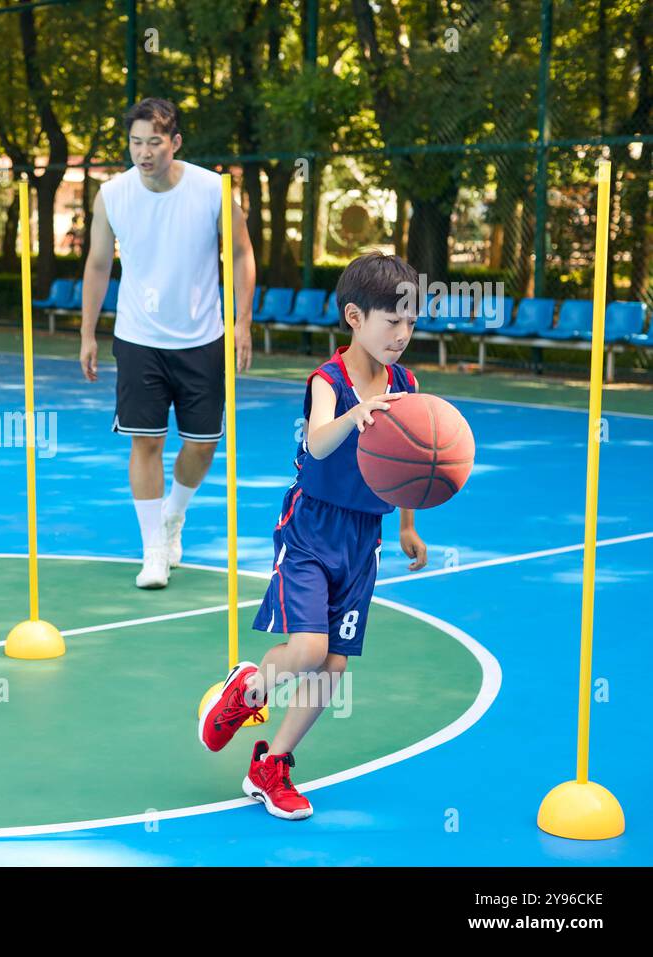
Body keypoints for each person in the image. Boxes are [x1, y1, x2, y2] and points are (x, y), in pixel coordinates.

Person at [198, 251, 430, 820]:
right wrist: (359, 413)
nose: (402, 335)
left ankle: (270, 764)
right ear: (354, 317)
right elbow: (319, 442)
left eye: (410, 322)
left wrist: (407, 523)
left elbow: (407, 463)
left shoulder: (407, 381)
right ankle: (249, 685)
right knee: (308, 649)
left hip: (363, 536)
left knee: (333, 668)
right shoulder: (329, 380)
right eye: (391, 321)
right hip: (311, 527)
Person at [80, 97, 256, 589]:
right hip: (138, 338)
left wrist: (243, 322)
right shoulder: (112, 195)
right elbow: (98, 265)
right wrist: (87, 331)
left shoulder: (211, 190)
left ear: (174, 143)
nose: (143, 152)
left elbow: (241, 254)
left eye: (153, 142)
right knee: (147, 442)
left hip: (202, 339)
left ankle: (174, 515)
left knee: (203, 445)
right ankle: (153, 548)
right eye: (135, 142)